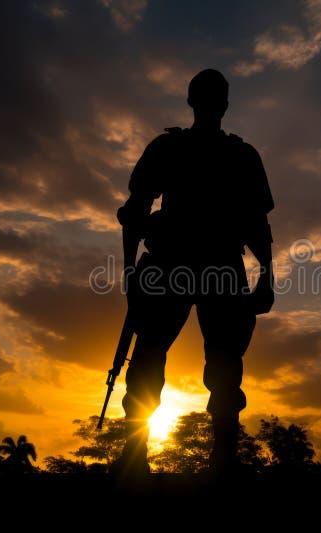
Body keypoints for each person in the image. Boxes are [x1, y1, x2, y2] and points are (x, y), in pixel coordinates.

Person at [112, 69, 275, 475]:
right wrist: (266, 276)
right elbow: (257, 227)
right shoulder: (237, 155)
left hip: (178, 265)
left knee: (167, 359)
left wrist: (131, 271)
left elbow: (134, 215)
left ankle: (159, 458)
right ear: (225, 104)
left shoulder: (180, 149)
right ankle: (216, 460)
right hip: (206, 266)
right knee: (208, 363)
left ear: (191, 101)